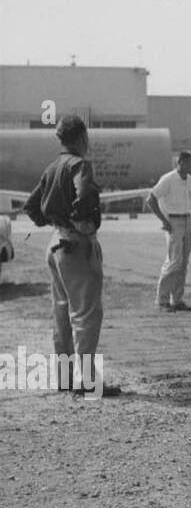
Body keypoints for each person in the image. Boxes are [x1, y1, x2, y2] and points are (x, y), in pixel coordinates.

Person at [21, 114, 109, 398]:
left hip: (55, 243)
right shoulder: (79, 164)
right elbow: (84, 197)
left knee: (61, 315)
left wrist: (58, 221)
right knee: (85, 314)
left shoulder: (52, 167)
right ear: (82, 137)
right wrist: (78, 221)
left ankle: (65, 377)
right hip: (76, 245)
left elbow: (32, 207)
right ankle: (87, 380)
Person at [145, 149, 191, 311]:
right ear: (181, 162)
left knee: (184, 263)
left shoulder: (190, 180)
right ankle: (162, 300)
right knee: (174, 261)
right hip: (173, 222)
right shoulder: (168, 179)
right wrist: (163, 220)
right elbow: (151, 199)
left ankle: (177, 299)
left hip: (187, 221)